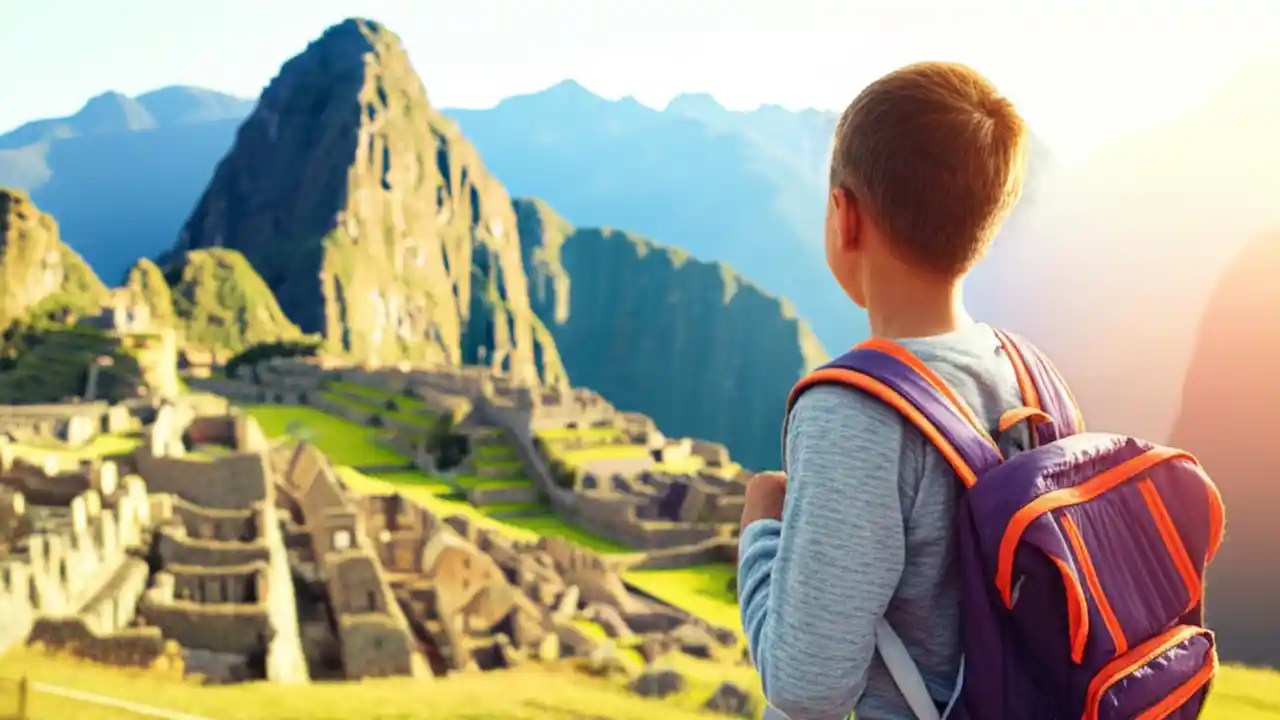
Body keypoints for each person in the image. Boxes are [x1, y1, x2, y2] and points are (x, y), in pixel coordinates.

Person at [737, 61, 1030, 719]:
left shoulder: (854, 412)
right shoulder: (1026, 375)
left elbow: (805, 686)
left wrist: (761, 528)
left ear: (845, 217)